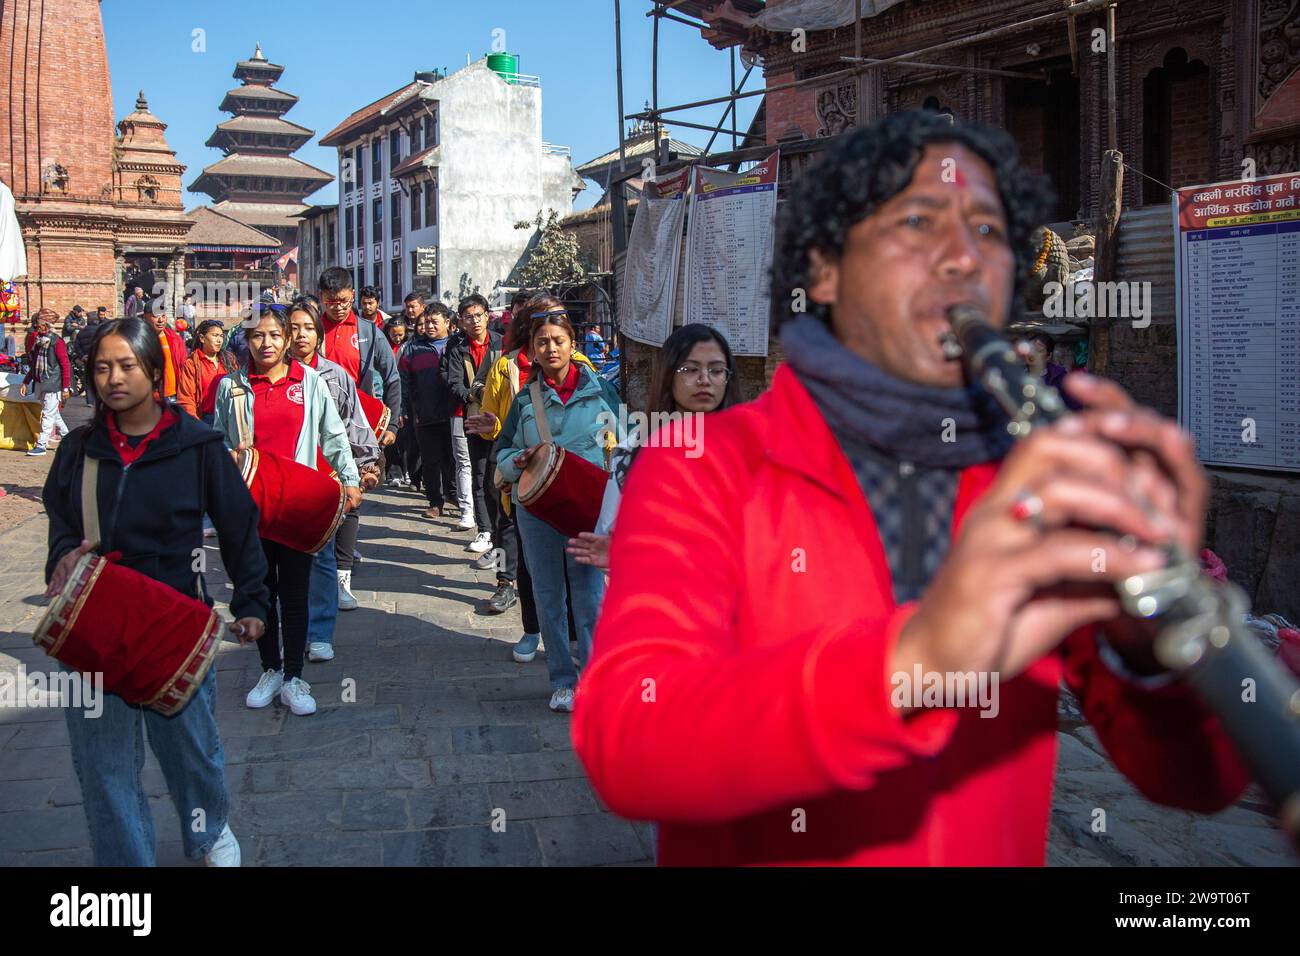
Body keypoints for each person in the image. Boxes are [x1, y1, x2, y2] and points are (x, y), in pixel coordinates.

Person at [572, 110, 1250, 866]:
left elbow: (1199, 781)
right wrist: (917, 658)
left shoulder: (1028, 487)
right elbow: (630, 742)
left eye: (989, 233)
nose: (963, 259)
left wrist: (1148, 642)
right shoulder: (700, 464)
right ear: (825, 269)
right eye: (920, 223)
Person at [42, 317, 269, 866]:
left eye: (126, 365)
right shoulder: (81, 450)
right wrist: (62, 557)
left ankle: (210, 830)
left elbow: (238, 524)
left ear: (152, 369)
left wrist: (252, 601)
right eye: (101, 367)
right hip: (98, 623)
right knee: (103, 767)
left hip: (175, 623)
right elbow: (61, 523)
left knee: (192, 749)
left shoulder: (197, 445)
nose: (113, 378)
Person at [213, 303, 362, 716]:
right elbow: (216, 440)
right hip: (251, 506)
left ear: (286, 340)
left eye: (274, 335)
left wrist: (349, 478)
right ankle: (270, 669)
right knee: (261, 591)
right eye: (257, 335)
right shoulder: (232, 387)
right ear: (245, 339)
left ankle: (295, 676)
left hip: (295, 503)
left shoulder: (309, 381)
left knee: (296, 593)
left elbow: (332, 433)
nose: (266, 342)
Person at [494, 305, 619, 712]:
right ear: (531, 347)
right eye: (542, 342)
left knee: (589, 595)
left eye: (558, 341)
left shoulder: (601, 391)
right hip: (539, 511)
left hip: (586, 509)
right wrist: (515, 461)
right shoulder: (525, 398)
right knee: (549, 595)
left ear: (573, 345)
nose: (551, 348)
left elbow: (630, 443)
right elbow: (502, 452)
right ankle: (563, 680)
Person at [472, 297, 605, 640]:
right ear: (528, 337)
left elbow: (608, 431)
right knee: (535, 572)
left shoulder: (587, 374)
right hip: (530, 487)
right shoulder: (505, 368)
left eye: (558, 334)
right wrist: (493, 427)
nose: (551, 346)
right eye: (541, 336)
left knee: (583, 583)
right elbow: (500, 430)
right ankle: (533, 630)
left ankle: (580, 648)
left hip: (578, 493)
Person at [567, 323, 740, 572]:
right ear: (668, 376)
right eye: (690, 369)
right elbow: (610, 536)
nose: (705, 379)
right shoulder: (635, 451)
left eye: (716, 370)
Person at [286, 296, 380, 659]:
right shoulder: (267, 379)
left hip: (325, 479)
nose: (300, 336)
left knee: (321, 556)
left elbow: (352, 424)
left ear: (319, 335)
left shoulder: (335, 377)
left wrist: (365, 466)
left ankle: (321, 631)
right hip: (284, 481)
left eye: (308, 328)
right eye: (293, 329)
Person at [443, 294, 503, 555]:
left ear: (487, 315)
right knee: (478, 474)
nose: (475, 321)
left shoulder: (501, 342)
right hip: (474, 417)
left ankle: (502, 528)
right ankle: (485, 529)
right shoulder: (457, 348)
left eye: (479, 315)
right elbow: (453, 382)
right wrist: (473, 394)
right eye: (469, 317)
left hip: (503, 417)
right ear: (461, 321)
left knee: (499, 474)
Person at [399, 303, 457, 519]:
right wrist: (403, 409)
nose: (429, 326)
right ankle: (435, 501)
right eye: (426, 322)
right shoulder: (413, 349)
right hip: (424, 414)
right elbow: (403, 382)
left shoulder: (456, 346)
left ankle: (454, 494)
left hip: (454, 413)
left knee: (453, 459)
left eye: (434, 322)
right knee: (430, 460)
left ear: (447, 323)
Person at [20, 309, 71, 455]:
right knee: (52, 412)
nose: (37, 327)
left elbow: (65, 365)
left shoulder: (57, 342)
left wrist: (66, 388)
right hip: (40, 381)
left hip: (54, 383)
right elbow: (35, 364)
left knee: (48, 414)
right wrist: (26, 381)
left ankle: (41, 445)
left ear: (46, 325)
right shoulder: (38, 342)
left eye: (39, 324)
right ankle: (67, 436)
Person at [176, 320, 236, 425]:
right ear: (202, 338)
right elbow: (186, 399)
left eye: (221, 336)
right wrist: (195, 425)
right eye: (215, 335)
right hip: (206, 420)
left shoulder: (229, 360)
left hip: (230, 417)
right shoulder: (192, 364)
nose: (219, 340)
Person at [145, 300, 186, 402]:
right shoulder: (140, 340)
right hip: (150, 397)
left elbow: (183, 367)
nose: (160, 320)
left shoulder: (175, 339)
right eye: (156, 316)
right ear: (145, 317)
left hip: (174, 395)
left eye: (163, 316)